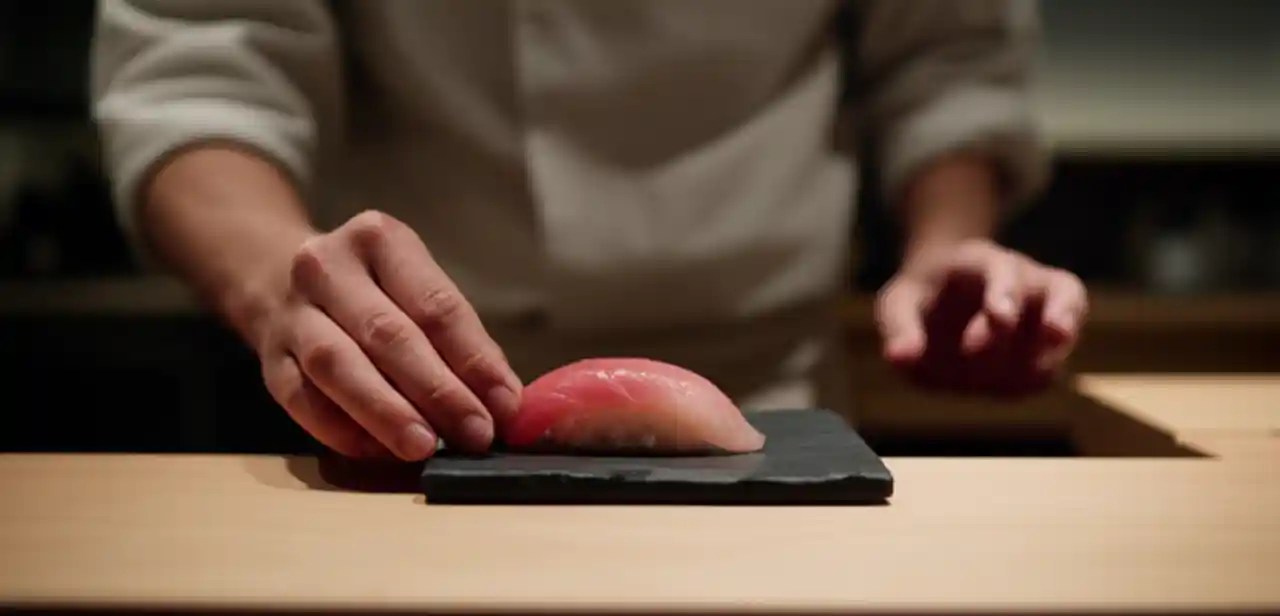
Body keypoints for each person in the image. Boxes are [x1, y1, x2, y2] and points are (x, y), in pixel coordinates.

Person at [90, 1, 1087, 461]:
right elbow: (196, 67)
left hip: (771, 394)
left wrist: (943, 241)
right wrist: (282, 287)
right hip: (389, 411)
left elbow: (947, 53)